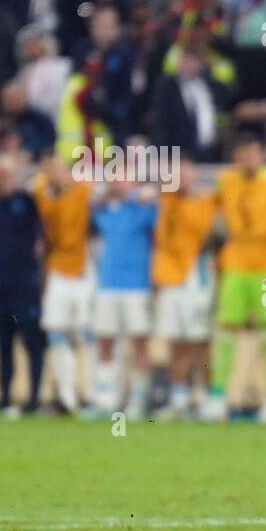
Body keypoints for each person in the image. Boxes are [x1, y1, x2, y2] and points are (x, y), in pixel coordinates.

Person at [205, 132, 266, 421]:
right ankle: (218, 395)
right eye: (245, 153)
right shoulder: (225, 181)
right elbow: (212, 216)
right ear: (237, 157)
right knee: (226, 331)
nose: (250, 158)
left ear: (262, 154)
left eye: (255, 153)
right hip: (234, 262)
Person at [0, 156, 47, 416]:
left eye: (7, 175)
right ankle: (6, 397)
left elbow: (48, 206)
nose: (3, 180)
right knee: (3, 343)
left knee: (32, 341)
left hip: (25, 283)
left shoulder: (28, 202)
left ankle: (34, 398)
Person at [151, 162, 216, 419]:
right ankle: (178, 397)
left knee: (200, 341)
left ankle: (201, 395)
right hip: (170, 278)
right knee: (175, 341)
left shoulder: (206, 203)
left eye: (187, 176)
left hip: (197, 278)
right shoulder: (163, 202)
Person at [91, 180, 157, 418]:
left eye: (124, 179)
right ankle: (105, 399)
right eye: (115, 179)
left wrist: (139, 194)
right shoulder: (105, 210)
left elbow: (158, 207)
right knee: (105, 341)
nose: (119, 183)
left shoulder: (145, 207)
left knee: (139, 343)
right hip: (108, 284)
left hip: (137, 286)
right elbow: (92, 203)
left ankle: (138, 400)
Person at [34, 156, 93, 414]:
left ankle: (87, 392)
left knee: (84, 335)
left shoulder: (83, 192)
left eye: (60, 170)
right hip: (56, 271)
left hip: (83, 272)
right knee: (56, 333)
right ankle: (66, 395)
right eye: (51, 171)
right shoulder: (42, 195)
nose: (56, 175)